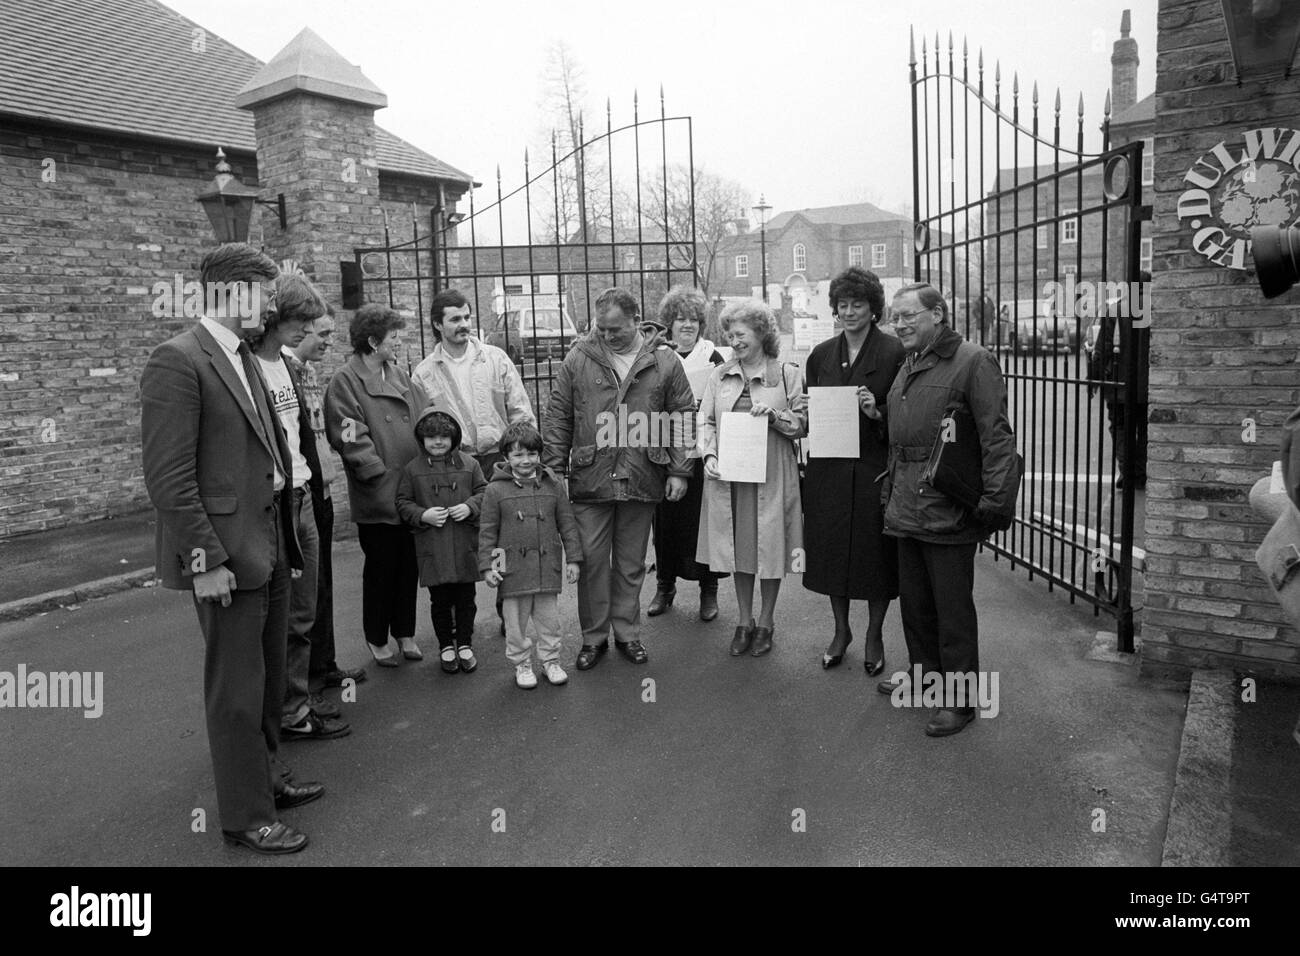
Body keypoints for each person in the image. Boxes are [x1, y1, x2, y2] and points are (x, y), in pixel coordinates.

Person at [140, 242, 317, 855]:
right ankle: (247, 817)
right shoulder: (178, 360)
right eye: (266, 294)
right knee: (236, 689)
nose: (271, 305)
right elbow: (168, 478)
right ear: (234, 291)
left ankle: (267, 779)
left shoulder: (244, 355)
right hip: (222, 554)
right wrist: (205, 560)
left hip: (266, 541)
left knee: (266, 680)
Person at [878, 282, 1018, 737]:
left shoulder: (974, 362)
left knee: (952, 611)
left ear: (938, 314)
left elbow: (996, 438)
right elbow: (903, 437)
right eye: (894, 317)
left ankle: (959, 700)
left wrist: (995, 503)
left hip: (947, 507)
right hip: (905, 504)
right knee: (916, 607)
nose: (898, 324)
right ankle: (924, 679)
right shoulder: (909, 363)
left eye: (908, 315)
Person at [542, 287, 695, 670]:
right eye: (602, 329)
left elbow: (683, 415)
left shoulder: (664, 361)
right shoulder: (579, 357)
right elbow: (559, 414)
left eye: (616, 330)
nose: (608, 337)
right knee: (592, 561)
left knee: (630, 563)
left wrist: (679, 470)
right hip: (592, 476)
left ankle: (627, 633)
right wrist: (552, 469)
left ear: (636, 320)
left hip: (642, 473)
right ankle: (593, 638)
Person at [251, 274, 350, 741]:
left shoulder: (288, 369)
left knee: (304, 613)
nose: (308, 328)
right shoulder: (249, 366)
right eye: (301, 319)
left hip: (304, 496)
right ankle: (282, 713)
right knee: (281, 617)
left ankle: (298, 704)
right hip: (273, 505)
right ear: (274, 316)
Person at [412, 289, 535, 634]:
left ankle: (507, 617)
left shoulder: (496, 359)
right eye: (454, 319)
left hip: (497, 458)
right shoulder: (423, 374)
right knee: (456, 541)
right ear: (438, 325)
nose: (464, 324)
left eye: (466, 317)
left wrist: (519, 455)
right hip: (455, 465)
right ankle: (456, 624)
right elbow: (423, 429)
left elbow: (520, 409)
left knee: (505, 537)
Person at [803, 268, 905, 673]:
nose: (849, 312)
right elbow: (811, 411)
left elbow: (904, 414)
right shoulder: (821, 355)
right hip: (828, 468)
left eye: (857, 305)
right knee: (833, 553)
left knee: (874, 555)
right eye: (842, 305)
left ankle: (874, 633)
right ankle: (840, 630)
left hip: (871, 468)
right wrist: (807, 413)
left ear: (873, 308)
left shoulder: (893, 353)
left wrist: (875, 412)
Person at [697, 298, 806, 658]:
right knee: (741, 549)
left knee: (771, 548)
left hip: (772, 475)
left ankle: (767, 621)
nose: (733, 340)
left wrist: (775, 416)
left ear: (760, 333)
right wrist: (709, 453)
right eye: (729, 333)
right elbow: (705, 421)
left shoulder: (786, 373)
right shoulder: (720, 375)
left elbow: (803, 424)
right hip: (732, 478)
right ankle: (744, 621)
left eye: (740, 333)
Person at [325, 304, 428, 667]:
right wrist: (376, 472)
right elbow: (348, 433)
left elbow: (424, 412)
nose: (399, 342)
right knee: (382, 568)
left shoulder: (397, 373)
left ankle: (405, 631)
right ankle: (376, 636)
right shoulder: (345, 381)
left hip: (410, 486)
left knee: (409, 566)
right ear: (372, 341)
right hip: (380, 492)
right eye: (394, 337)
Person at [284, 307, 368, 702]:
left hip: (323, 491)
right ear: (300, 330)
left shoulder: (311, 373)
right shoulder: (282, 372)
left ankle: (324, 665)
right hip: (301, 493)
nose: (329, 341)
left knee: (324, 585)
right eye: (323, 333)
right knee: (304, 593)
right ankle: (306, 683)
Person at [479, 422, 584, 688]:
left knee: (550, 622)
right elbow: (488, 532)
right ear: (506, 457)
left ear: (539, 454)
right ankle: (522, 664)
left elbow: (567, 523)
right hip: (512, 571)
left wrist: (573, 559)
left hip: (547, 566)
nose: (526, 461)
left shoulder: (554, 485)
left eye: (531, 454)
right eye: (518, 455)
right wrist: (490, 568)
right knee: (515, 625)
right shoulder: (494, 490)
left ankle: (551, 661)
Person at [647, 286, 728, 622]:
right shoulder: (658, 357)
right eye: (680, 319)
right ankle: (665, 585)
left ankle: (709, 590)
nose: (687, 325)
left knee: (706, 524)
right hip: (666, 453)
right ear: (670, 323)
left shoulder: (715, 358)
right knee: (666, 523)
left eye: (693, 319)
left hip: (703, 451)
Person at [395, 403, 487, 674]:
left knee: (466, 598)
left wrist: (470, 506)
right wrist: (423, 516)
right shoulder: (412, 470)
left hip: (463, 544)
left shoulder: (470, 465)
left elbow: (485, 491)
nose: (438, 442)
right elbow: (403, 502)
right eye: (432, 436)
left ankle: (465, 644)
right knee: (440, 601)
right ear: (422, 439)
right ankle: (446, 645)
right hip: (432, 545)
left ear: (454, 437)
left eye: (444, 436)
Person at [1086, 271, 1150, 489]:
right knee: (1146, 430)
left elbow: (1101, 348)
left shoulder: (1115, 309)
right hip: (1149, 386)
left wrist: (1093, 378)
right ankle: (1141, 473)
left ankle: (1127, 473)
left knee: (1121, 428)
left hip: (1120, 386)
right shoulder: (1158, 308)